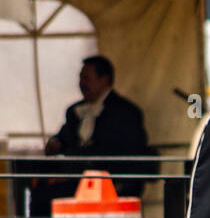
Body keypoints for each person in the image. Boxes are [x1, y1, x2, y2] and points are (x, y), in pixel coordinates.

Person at [37, 55, 152, 207]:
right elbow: (64, 137)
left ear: (104, 80)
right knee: (40, 196)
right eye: (80, 78)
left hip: (111, 184)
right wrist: (55, 142)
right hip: (76, 182)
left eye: (86, 78)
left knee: (46, 197)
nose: (81, 84)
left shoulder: (126, 112)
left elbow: (130, 154)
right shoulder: (74, 111)